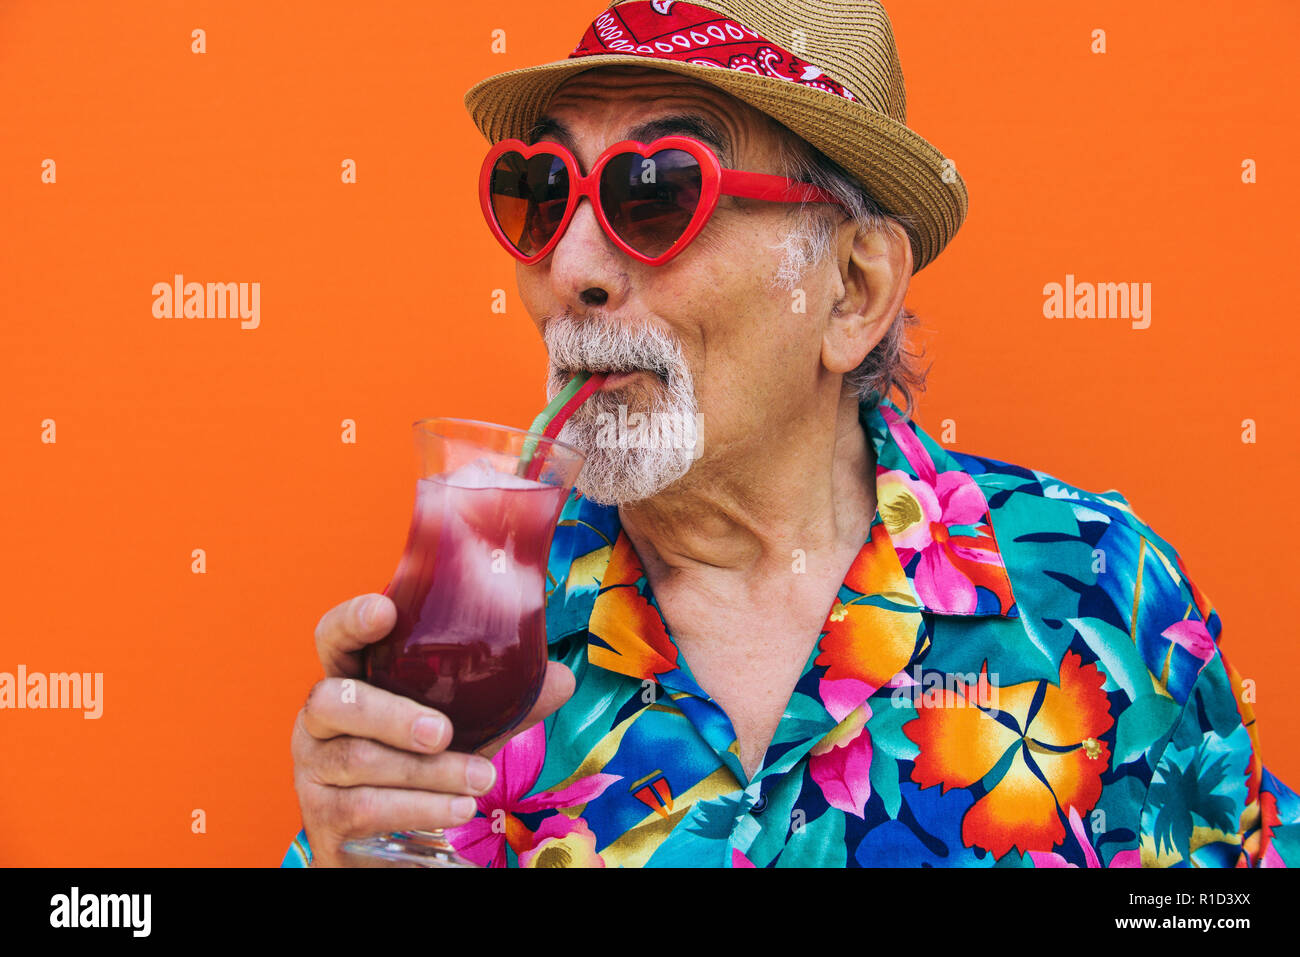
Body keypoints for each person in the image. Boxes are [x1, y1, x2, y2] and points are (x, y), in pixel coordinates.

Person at [284, 0, 1298, 867]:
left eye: (654, 192)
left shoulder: (1090, 592)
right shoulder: (483, 645)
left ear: (853, 290)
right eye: (542, 194)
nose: (570, 267)